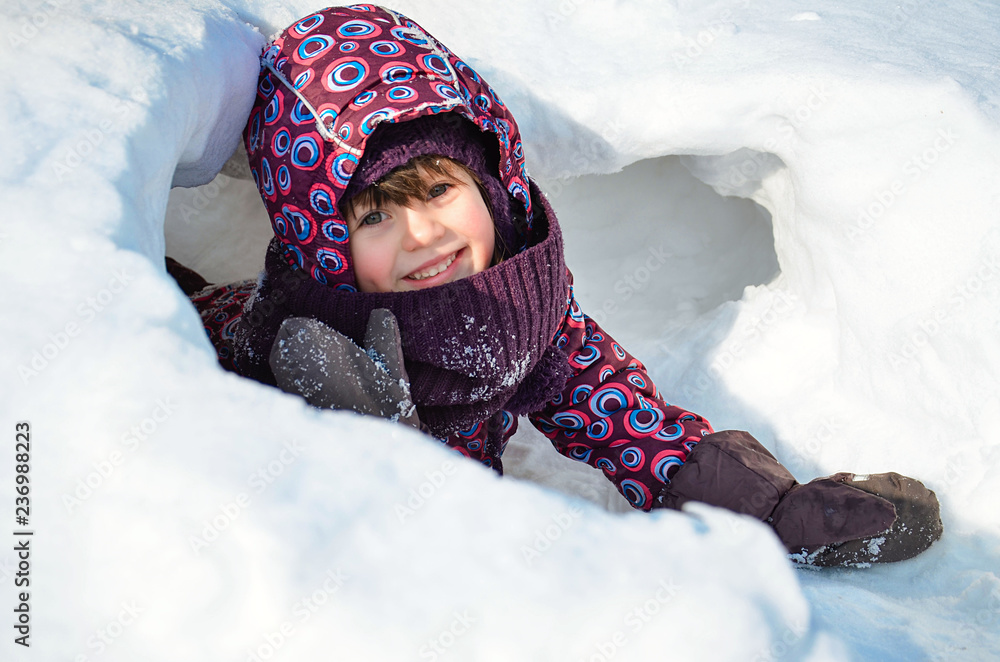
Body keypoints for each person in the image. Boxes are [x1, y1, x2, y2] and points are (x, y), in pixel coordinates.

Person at [176, 5, 942, 567]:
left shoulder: (522, 300)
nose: (423, 236)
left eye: (440, 192)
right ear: (324, 242)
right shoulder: (300, 342)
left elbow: (621, 414)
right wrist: (353, 443)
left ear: (492, 185)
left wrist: (775, 512)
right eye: (373, 216)